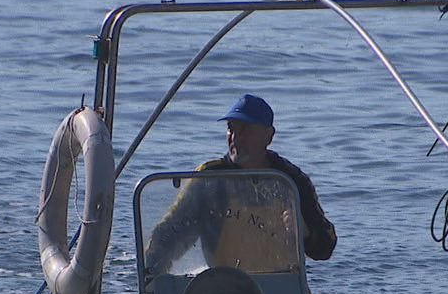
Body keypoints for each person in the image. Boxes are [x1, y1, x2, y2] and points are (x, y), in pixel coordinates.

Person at [144, 94, 336, 273]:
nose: (235, 137)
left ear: (268, 136)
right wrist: (151, 273)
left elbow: (326, 246)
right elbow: (169, 233)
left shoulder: (291, 179)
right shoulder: (209, 178)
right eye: (231, 128)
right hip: (225, 287)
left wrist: (305, 231)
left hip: (283, 286)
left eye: (245, 130)